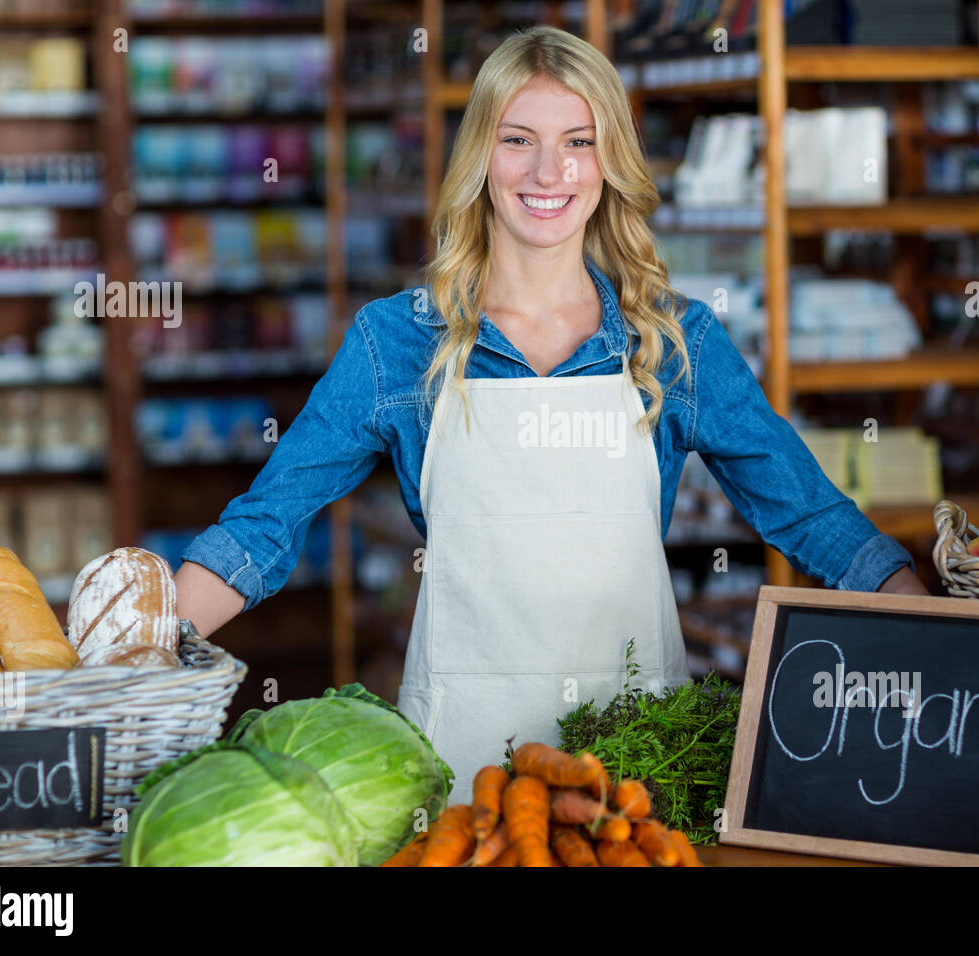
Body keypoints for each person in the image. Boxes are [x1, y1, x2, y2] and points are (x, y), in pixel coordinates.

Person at [175, 25, 928, 804]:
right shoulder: (397, 343)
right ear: (480, 158)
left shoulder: (673, 342)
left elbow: (807, 513)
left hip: (637, 775)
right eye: (518, 139)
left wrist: (928, 624)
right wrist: (140, 652)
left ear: (609, 160)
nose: (548, 171)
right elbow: (264, 527)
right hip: (458, 773)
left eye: (578, 140)